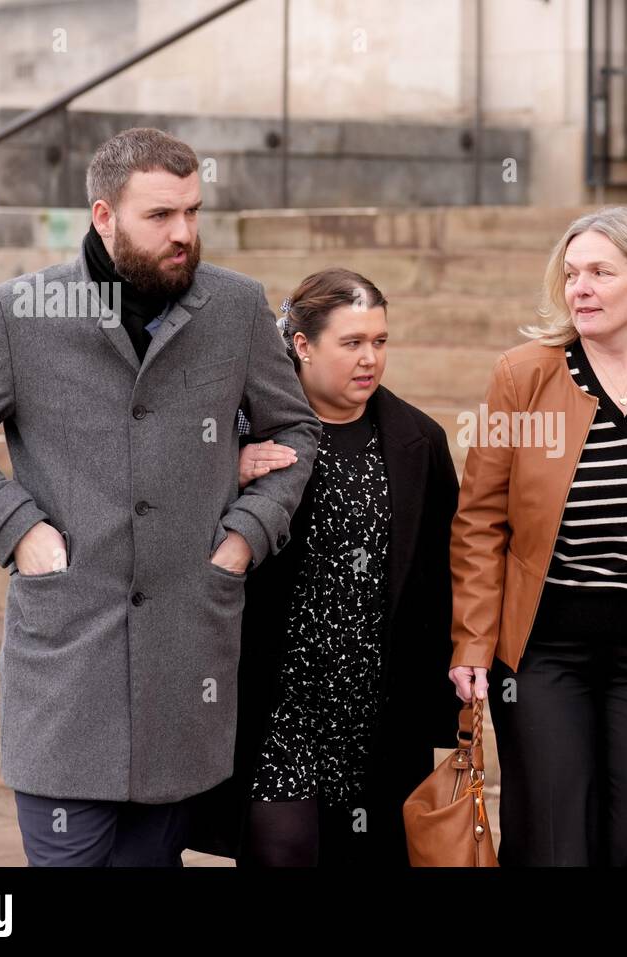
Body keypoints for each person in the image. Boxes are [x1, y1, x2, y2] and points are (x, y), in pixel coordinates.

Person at [0, 127, 321, 866]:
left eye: (193, 211)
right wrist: (19, 529)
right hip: (67, 667)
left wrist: (246, 535)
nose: (184, 233)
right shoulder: (18, 313)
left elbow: (296, 429)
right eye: (161, 216)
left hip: (183, 662)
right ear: (103, 216)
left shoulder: (235, 308)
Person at [448, 205, 627, 866]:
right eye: (572, 273)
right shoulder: (524, 375)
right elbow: (479, 517)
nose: (580, 286)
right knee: (554, 841)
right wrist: (471, 638)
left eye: (601, 272)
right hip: (546, 648)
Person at [189, 268, 460, 866]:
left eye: (380, 342)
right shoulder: (244, 434)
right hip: (276, 702)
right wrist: (224, 471)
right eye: (352, 343)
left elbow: (441, 576)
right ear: (302, 346)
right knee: (282, 850)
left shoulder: (420, 440)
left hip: (375, 712)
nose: (370, 359)